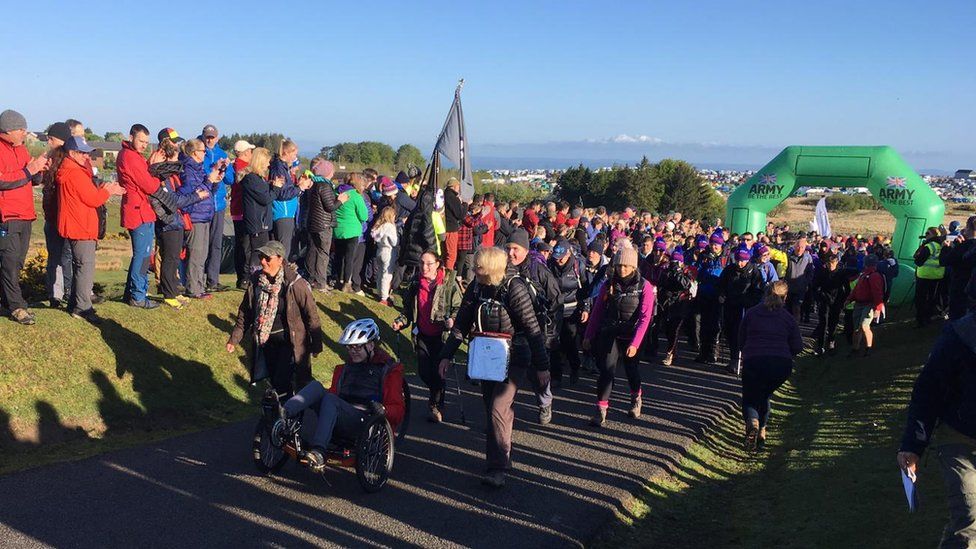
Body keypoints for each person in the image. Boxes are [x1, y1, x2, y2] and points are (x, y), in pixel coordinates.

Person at [437, 247, 550, 488]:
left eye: (478, 268)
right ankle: (499, 458)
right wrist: (445, 356)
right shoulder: (476, 287)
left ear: (490, 269)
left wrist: (542, 366)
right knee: (493, 409)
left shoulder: (514, 288)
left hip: (516, 355)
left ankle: (498, 467)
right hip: (487, 357)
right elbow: (461, 326)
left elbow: (532, 329)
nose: (474, 272)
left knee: (498, 408)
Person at [281, 318, 404, 471]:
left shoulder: (389, 370)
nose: (352, 351)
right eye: (349, 347)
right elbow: (330, 397)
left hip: (366, 423)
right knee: (316, 387)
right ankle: (283, 414)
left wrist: (383, 410)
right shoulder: (343, 369)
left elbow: (398, 410)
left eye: (357, 347)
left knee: (331, 400)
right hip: (341, 417)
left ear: (371, 345)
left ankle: (319, 452)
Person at [898, 313, 976, 547]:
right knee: (968, 516)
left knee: (963, 522)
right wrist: (912, 445)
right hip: (960, 438)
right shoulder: (959, 335)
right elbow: (928, 389)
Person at [227, 240, 323, 397]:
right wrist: (234, 339)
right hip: (266, 342)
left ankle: (288, 416)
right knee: (275, 382)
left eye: (267, 258)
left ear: (280, 259)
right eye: (261, 257)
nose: (263, 261)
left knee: (282, 382)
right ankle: (281, 417)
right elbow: (246, 312)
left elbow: (311, 315)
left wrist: (316, 344)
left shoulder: (295, 284)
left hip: (290, 342)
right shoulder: (256, 281)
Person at [582, 248, 655, 426]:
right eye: (619, 265)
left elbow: (645, 318)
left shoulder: (644, 286)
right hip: (611, 332)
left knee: (631, 370)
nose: (622, 269)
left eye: (626, 266)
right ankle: (601, 410)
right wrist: (588, 335)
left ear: (633, 266)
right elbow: (597, 312)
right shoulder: (609, 284)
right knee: (607, 370)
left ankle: (636, 397)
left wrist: (636, 343)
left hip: (633, 334)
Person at [56, 137, 125, 323]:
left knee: (79, 267)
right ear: (72, 153)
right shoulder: (76, 174)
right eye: (83, 152)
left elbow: (87, 196)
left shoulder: (69, 170)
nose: (87, 156)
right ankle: (83, 308)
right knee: (85, 268)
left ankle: (75, 303)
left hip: (75, 225)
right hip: (81, 227)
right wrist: (109, 190)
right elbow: (93, 200)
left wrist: (103, 188)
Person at [394, 251, 460, 422]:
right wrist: (401, 321)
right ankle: (438, 392)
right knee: (424, 372)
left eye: (429, 263)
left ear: (438, 264)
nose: (424, 267)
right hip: (422, 333)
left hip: (442, 336)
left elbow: (459, 308)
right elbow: (408, 310)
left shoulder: (448, 283)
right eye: (422, 263)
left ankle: (435, 405)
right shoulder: (415, 282)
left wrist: (452, 320)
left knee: (437, 372)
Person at [738, 280, 802, 450]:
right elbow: (798, 346)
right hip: (780, 364)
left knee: (751, 397)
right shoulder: (788, 318)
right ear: (785, 297)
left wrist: (744, 349)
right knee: (764, 395)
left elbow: (741, 339)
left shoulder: (751, 314)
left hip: (754, 360)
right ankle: (762, 431)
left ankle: (753, 422)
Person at [505, 228, 561, 424]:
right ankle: (501, 415)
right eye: (508, 248)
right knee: (507, 376)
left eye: (516, 249)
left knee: (537, 374)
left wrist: (550, 332)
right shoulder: (502, 269)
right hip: (511, 333)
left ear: (526, 250)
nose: (511, 253)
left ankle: (545, 402)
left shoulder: (539, 270)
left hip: (536, 331)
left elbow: (555, 301)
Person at [0, 109, 50, 325]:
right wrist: (30, 171)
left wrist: (40, 171)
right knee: (9, 263)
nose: (24, 133)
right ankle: (17, 307)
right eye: (21, 129)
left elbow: (31, 178)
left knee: (17, 262)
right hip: (7, 216)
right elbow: (2, 181)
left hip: (26, 214)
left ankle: (5, 302)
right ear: (8, 130)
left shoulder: (20, 149)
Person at [150, 128, 210, 309]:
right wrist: (196, 197)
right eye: (175, 157)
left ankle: (173, 291)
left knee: (174, 258)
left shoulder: (170, 175)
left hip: (174, 220)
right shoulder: (161, 175)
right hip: (168, 220)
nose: (178, 162)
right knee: (169, 258)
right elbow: (173, 200)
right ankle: (168, 293)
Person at [117, 123, 164, 310]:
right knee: (143, 256)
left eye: (146, 141)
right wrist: (156, 173)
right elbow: (149, 185)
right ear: (131, 138)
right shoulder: (131, 157)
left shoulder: (130, 156)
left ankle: (132, 292)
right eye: (141, 141)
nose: (144, 145)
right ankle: (138, 295)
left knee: (141, 254)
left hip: (139, 209)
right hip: (139, 211)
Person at [179, 139, 226, 299]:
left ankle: (199, 286)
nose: (205, 154)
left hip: (205, 215)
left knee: (202, 254)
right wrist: (208, 181)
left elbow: (208, 191)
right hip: (196, 216)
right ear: (194, 153)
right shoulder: (188, 169)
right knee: (196, 253)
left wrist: (215, 182)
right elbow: (195, 192)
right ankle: (193, 288)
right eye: (202, 151)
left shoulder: (198, 168)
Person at [239, 148, 300, 270]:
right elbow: (265, 198)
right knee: (257, 253)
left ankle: (258, 278)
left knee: (262, 251)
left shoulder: (258, 179)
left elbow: (264, 193)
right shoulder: (251, 179)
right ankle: (253, 279)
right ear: (260, 162)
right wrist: (276, 188)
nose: (268, 165)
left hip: (262, 221)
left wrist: (271, 185)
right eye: (266, 162)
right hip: (257, 223)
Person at [39, 122, 73, 309]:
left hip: (61, 216)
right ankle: (56, 294)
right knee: (57, 257)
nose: (48, 141)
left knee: (62, 257)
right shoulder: (50, 160)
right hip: (54, 216)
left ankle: (63, 293)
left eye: (51, 138)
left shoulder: (65, 161)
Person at [719, 246, 764, 375]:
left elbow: (758, 291)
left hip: (746, 308)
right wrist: (721, 294)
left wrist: (748, 302)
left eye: (742, 260)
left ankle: (743, 360)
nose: (740, 263)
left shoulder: (754, 271)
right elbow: (721, 284)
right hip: (730, 306)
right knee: (730, 333)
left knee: (743, 334)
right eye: (738, 260)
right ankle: (733, 359)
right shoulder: (729, 270)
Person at [200, 125, 234, 293]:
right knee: (201, 243)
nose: (210, 140)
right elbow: (199, 174)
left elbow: (230, 179)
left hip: (218, 205)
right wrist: (213, 168)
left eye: (212, 137)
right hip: (202, 204)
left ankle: (213, 280)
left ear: (217, 137)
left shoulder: (222, 154)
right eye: (207, 136)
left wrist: (225, 168)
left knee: (216, 244)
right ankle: (199, 278)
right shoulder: (199, 151)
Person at [548, 239, 586, 387]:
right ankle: (556, 375)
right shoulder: (550, 265)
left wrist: (586, 308)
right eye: (557, 258)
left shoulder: (578, 266)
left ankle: (575, 368)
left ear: (569, 254)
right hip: (555, 309)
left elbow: (585, 289)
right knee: (553, 342)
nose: (559, 261)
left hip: (571, 310)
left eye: (562, 258)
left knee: (569, 342)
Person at [304, 158, 345, 292]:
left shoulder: (313, 184)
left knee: (313, 251)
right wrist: (340, 200)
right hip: (323, 223)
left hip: (313, 222)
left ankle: (311, 279)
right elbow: (330, 206)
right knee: (323, 253)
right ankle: (321, 283)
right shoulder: (324, 186)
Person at [270, 140, 310, 260]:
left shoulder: (282, 167)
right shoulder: (279, 168)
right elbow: (282, 193)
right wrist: (300, 188)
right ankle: (281, 276)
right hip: (283, 212)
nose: (295, 157)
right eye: (294, 154)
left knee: (283, 249)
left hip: (286, 212)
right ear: (286, 152)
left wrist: (298, 187)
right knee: (283, 251)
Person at [656, 247, 695, 366]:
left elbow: (687, 284)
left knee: (675, 329)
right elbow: (660, 284)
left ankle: (670, 353)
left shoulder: (686, 271)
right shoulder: (665, 270)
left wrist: (677, 273)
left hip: (680, 303)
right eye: (672, 262)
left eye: (676, 262)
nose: (674, 264)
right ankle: (673, 350)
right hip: (667, 303)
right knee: (668, 330)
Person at [694, 231, 727, 364]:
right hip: (704, 293)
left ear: (721, 245)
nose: (714, 246)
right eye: (712, 243)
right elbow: (698, 272)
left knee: (715, 325)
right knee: (703, 325)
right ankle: (703, 352)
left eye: (717, 244)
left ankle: (713, 353)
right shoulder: (704, 255)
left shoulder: (726, 257)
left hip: (718, 295)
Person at [811, 247, 849, 355]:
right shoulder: (822, 272)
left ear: (837, 263)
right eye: (829, 264)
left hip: (836, 301)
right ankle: (820, 346)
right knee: (823, 322)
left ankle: (831, 342)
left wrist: (843, 300)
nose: (830, 266)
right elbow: (815, 286)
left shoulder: (841, 274)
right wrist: (819, 297)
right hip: (824, 300)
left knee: (833, 323)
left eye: (832, 264)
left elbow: (847, 289)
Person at [334, 173, 369, 292]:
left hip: (338, 229)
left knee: (339, 256)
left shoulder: (337, 192)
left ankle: (338, 279)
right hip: (352, 231)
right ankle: (347, 284)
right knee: (349, 258)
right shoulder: (356, 195)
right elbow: (364, 216)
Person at [845, 254, 885, 357]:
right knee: (857, 327)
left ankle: (868, 347)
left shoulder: (873, 276)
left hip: (869, 304)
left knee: (864, 325)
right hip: (859, 303)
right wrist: (850, 299)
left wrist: (877, 308)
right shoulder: (864, 275)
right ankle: (855, 348)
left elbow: (877, 293)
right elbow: (857, 289)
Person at [230, 140, 255, 289]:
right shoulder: (243, 167)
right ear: (245, 152)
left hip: (237, 209)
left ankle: (242, 277)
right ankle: (244, 278)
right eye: (250, 151)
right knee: (245, 246)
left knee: (241, 246)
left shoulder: (235, 166)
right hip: (243, 210)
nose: (252, 154)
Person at [941, 216, 976, 320]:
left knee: (957, 316)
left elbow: (944, 261)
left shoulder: (963, 246)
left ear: (968, 228)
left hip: (960, 285)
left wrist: (946, 248)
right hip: (972, 288)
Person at [915, 226, 946, 327]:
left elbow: (918, 260)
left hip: (924, 276)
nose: (926, 235)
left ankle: (921, 320)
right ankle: (928, 318)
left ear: (933, 235)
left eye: (928, 233)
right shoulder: (942, 245)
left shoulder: (930, 245)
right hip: (937, 276)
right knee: (932, 298)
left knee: (921, 299)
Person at [371, 206, 399, 305]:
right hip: (388, 252)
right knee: (387, 275)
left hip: (379, 250)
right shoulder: (390, 226)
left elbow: (374, 235)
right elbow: (394, 242)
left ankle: (380, 292)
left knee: (380, 273)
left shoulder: (379, 225)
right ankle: (384, 297)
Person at [785, 236, 814, 320]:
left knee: (796, 309)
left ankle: (795, 328)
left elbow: (810, 273)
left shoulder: (808, 258)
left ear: (805, 248)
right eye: (798, 246)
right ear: (794, 246)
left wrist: (806, 283)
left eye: (802, 247)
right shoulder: (788, 257)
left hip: (800, 288)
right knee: (788, 310)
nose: (799, 249)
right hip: (788, 288)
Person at [443, 178, 464, 272]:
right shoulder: (452, 198)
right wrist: (465, 204)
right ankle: (448, 277)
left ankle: (441, 274)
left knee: (443, 254)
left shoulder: (442, 195)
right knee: (451, 254)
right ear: (455, 186)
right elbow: (460, 214)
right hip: (451, 229)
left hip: (442, 228)